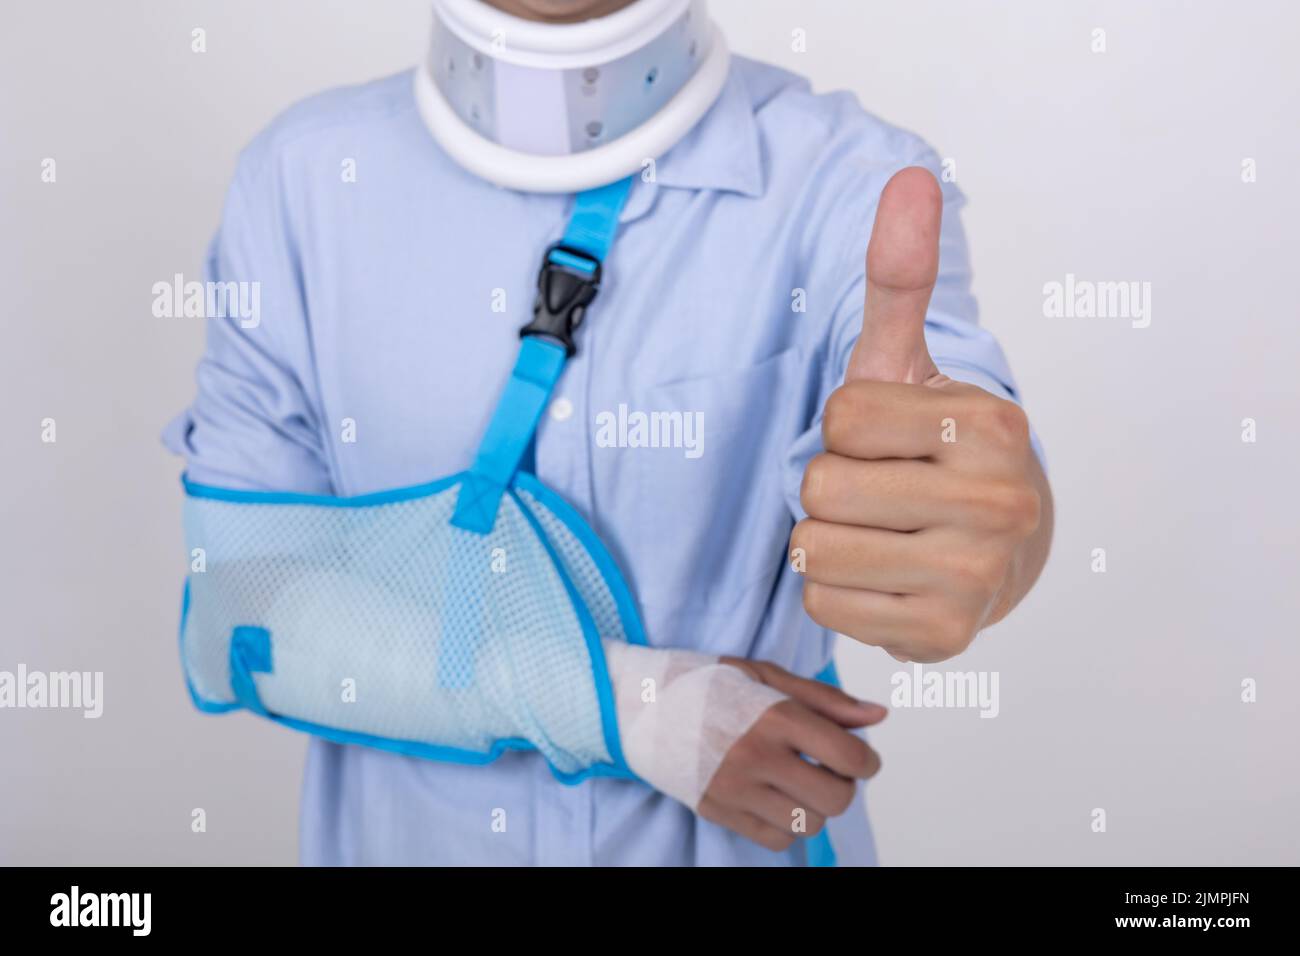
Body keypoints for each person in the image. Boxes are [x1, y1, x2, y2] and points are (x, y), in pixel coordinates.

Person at [164, 0, 1052, 865]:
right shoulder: (302, 181)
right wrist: (636, 713)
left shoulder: (853, 186)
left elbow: (957, 448)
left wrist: (987, 531)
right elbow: (241, 609)